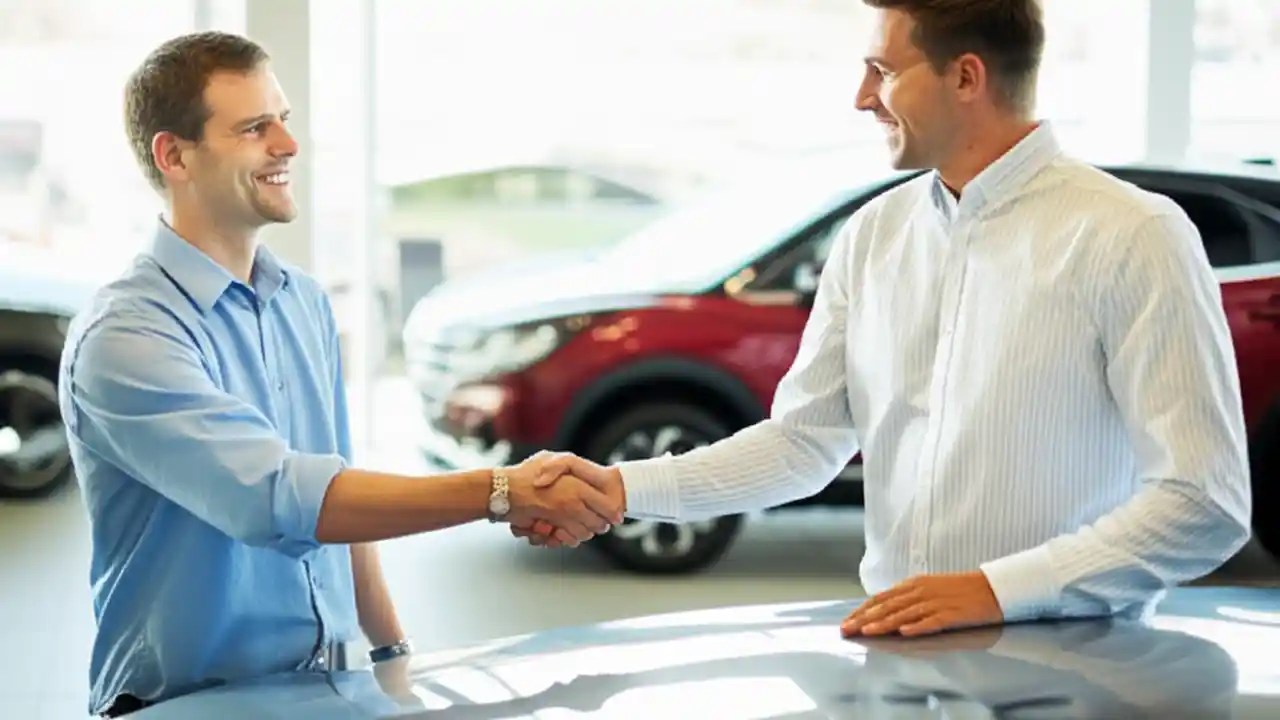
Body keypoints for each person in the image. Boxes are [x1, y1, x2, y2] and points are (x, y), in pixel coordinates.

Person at [517, 0, 1252, 638]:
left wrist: (996, 592)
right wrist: (621, 490)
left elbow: (1204, 502)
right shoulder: (873, 235)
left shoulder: (1134, 234)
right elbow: (802, 444)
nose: (863, 97)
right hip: (898, 655)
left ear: (966, 77)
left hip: (1080, 667)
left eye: (883, 70)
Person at [58, 31, 620, 717]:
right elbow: (281, 500)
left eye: (284, 121)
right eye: (254, 128)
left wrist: (391, 655)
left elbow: (342, 497)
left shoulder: (304, 301)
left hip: (331, 687)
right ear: (175, 155)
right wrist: (503, 491)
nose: (288, 146)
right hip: (187, 703)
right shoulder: (125, 337)